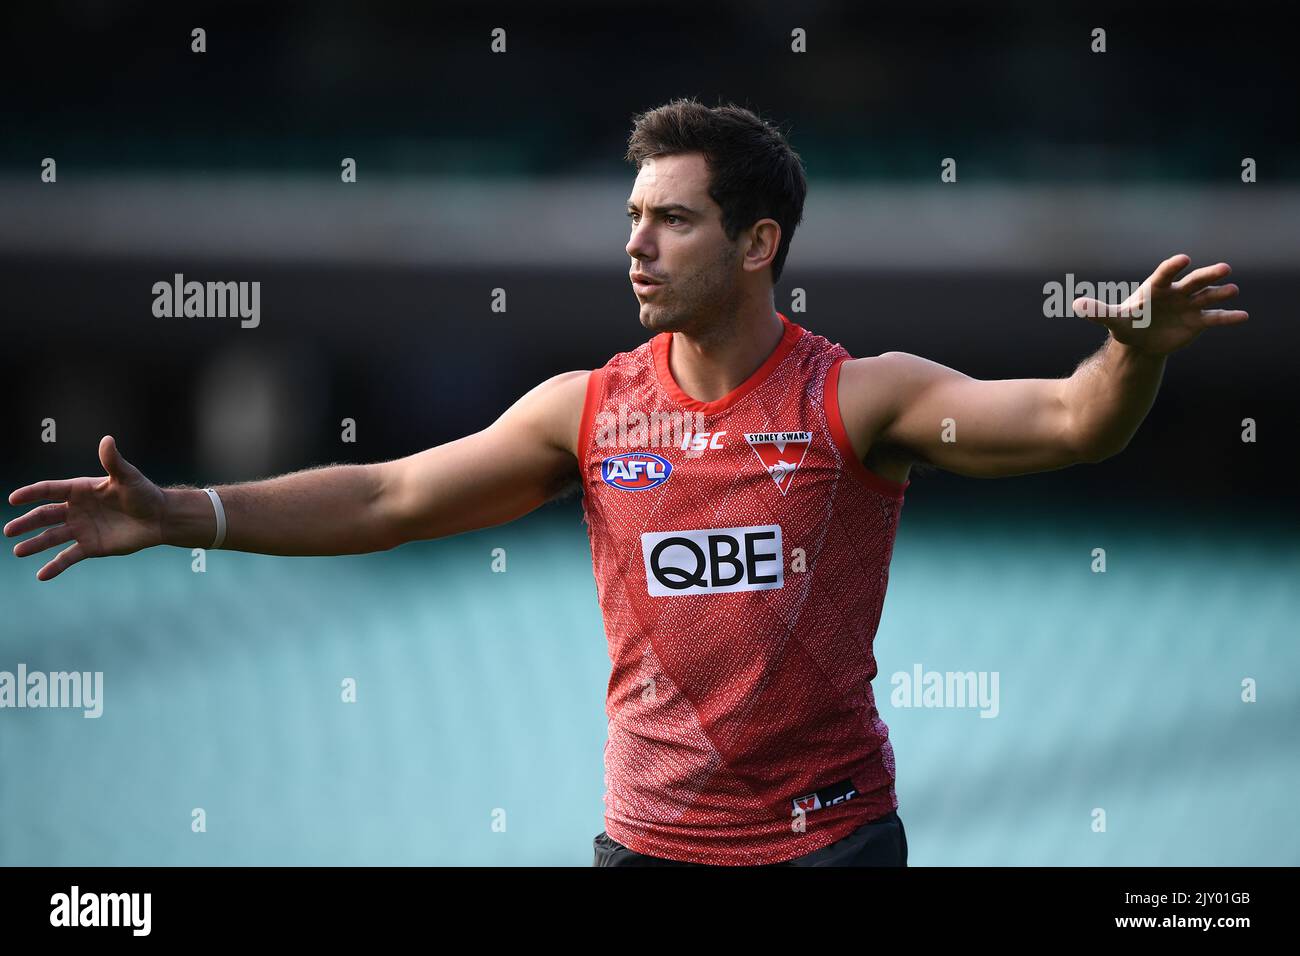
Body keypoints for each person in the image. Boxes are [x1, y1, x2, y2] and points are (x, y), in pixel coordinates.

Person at [4, 99, 1248, 867]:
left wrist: (1127, 351)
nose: (635, 244)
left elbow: (1074, 424)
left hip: (830, 849)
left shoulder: (858, 398)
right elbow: (388, 496)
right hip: (644, 852)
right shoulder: (587, 408)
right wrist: (188, 516)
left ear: (758, 243)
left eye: (673, 219)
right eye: (633, 216)